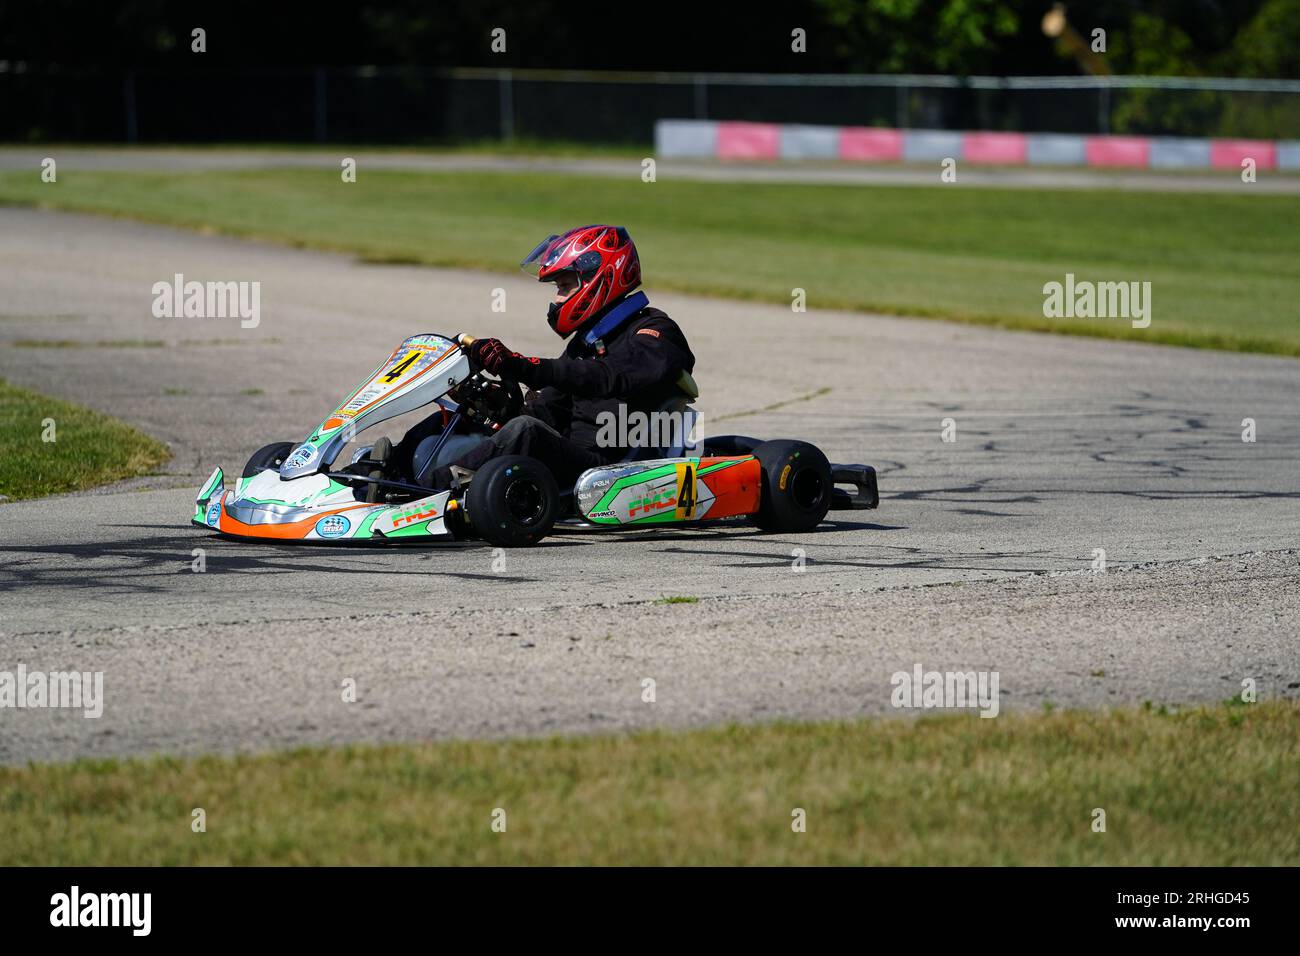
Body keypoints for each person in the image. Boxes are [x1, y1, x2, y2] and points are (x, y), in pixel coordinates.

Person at [426, 224, 696, 491]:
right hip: (572, 459)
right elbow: (548, 410)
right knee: (459, 416)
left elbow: (608, 376)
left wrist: (522, 366)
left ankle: (429, 494)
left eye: (565, 285)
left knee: (526, 431)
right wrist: (495, 404)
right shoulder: (587, 344)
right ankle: (394, 473)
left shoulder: (656, 331)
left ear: (602, 278)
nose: (557, 298)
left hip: (610, 471)